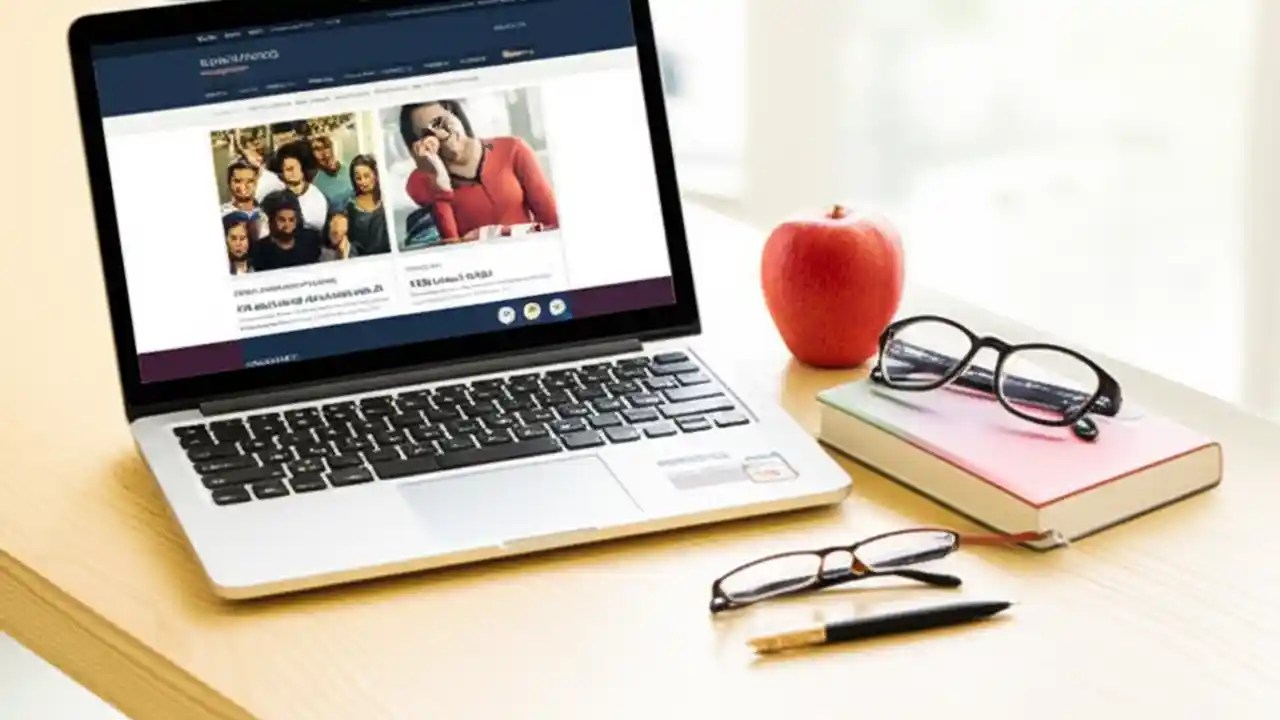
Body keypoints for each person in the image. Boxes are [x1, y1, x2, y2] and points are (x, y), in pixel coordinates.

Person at [399, 99, 559, 242]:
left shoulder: (513, 149)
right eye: (427, 134)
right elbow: (451, 247)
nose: (439, 135)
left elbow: (552, 222)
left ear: (455, 115)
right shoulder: (419, 181)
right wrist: (440, 186)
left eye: (440, 122)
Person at [253, 190, 323, 271]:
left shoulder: (311, 241)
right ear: (271, 221)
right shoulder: (261, 251)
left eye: (291, 220)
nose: (287, 225)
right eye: (282, 220)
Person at [344, 154, 391, 256]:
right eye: (358, 178)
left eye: (366, 176)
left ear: (376, 175)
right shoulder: (350, 207)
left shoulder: (388, 199)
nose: (363, 182)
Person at [219, 160, 269, 240]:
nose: (243, 186)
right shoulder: (220, 214)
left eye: (250, 181)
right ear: (229, 183)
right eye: (238, 181)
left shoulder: (267, 215)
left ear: (256, 184)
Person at [310, 135, 356, 211]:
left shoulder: (350, 170)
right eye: (317, 149)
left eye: (326, 146)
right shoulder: (316, 185)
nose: (325, 153)